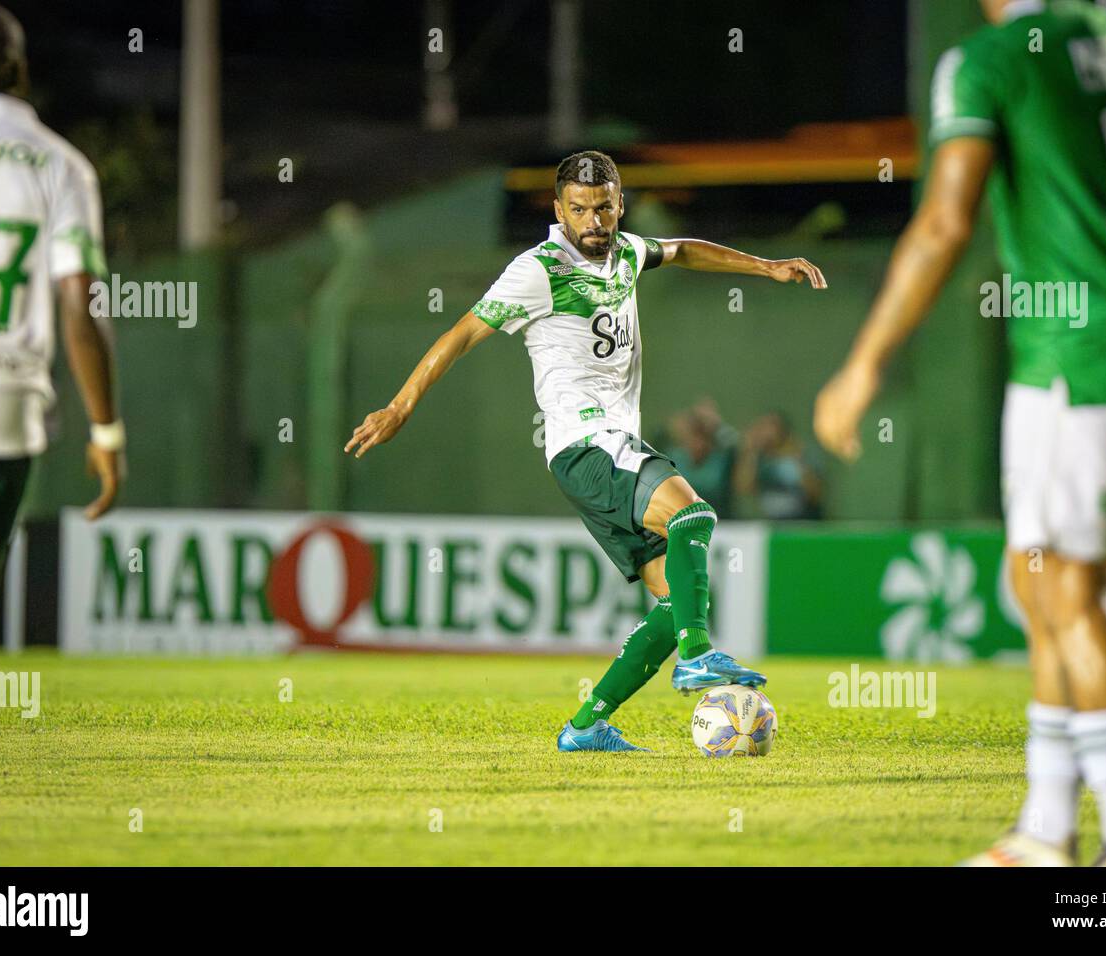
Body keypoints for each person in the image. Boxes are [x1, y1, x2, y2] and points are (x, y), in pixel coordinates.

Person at [813, 0, 1106, 865]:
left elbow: (942, 222)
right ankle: (1046, 829)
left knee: (1072, 594)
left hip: (1076, 355)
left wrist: (864, 364)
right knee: (1040, 577)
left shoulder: (990, 61)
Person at [346, 149, 826, 751]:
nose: (593, 221)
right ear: (558, 210)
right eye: (579, 210)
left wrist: (766, 267)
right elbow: (462, 331)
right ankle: (698, 658)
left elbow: (679, 250)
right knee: (693, 514)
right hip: (585, 442)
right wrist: (400, 405)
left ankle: (587, 726)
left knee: (674, 602)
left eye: (603, 208)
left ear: (619, 205)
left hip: (608, 446)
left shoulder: (625, 252)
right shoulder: (538, 269)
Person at [0, 3, 122, 844]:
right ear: (17, 71)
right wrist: (106, 431)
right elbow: (78, 307)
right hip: (1, 407)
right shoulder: (60, 163)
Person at [733, 410, 825, 519]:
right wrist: (750, 451)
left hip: (805, 521)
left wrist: (798, 460)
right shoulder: (758, 458)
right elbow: (743, 488)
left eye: (770, 426)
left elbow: (815, 493)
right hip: (772, 523)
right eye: (762, 426)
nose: (765, 432)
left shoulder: (803, 453)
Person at [665, 402, 736, 519]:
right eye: (693, 438)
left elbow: (735, 444)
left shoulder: (720, 459)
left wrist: (718, 425)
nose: (698, 444)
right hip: (681, 518)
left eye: (702, 439)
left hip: (719, 518)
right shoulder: (675, 457)